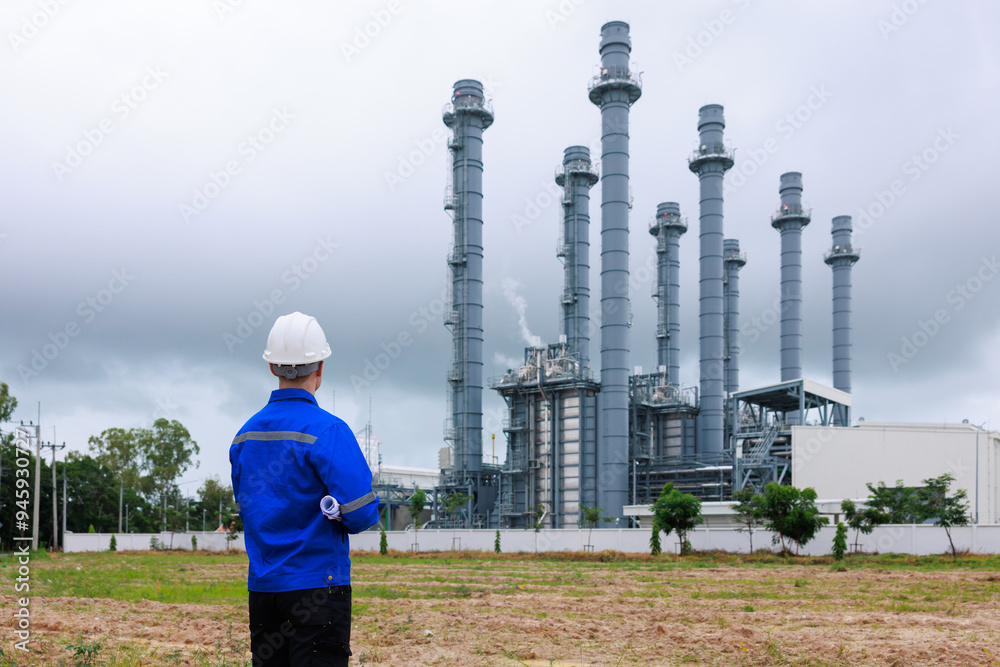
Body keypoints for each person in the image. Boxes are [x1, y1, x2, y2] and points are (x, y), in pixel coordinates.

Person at [231, 311, 379, 666]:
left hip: (264, 591)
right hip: (318, 590)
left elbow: (248, 506)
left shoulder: (245, 436)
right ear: (320, 368)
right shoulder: (329, 431)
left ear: (272, 367)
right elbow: (362, 514)